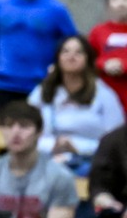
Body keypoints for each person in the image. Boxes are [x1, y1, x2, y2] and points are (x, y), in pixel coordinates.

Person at [31, 35, 125, 174]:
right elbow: (26, 127)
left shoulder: (103, 94)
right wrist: (53, 145)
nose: (71, 56)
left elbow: (117, 139)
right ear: (58, 58)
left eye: (78, 52)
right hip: (48, 155)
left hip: (91, 159)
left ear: (88, 59)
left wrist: (78, 147)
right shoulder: (43, 91)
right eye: (66, 51)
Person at [94, 0, 127, 108]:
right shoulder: (98, 31)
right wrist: (104, 64)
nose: (121, 4)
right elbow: (89, 59)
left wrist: (123, 65)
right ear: (108, 4)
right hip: (107, 93)